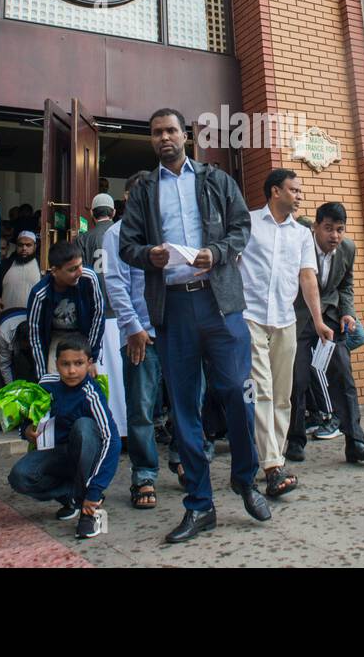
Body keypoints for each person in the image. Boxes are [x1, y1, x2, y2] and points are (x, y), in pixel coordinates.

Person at [119, 108, 270, 543]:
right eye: (155, 133)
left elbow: (242, 227)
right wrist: (149, 256)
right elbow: (128, 246)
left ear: (185, 135)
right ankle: (200, 505)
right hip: (174, 312)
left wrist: (217, 253)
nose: (163, 138)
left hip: (220, 306)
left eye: (170, 131)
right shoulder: (145, 189)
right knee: (184, 409)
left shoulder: (215, 179)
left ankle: (245, 479)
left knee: (238, 395)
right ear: (151, 140)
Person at [241, 169, 330, 498]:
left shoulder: (302, 234)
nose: (300, 195)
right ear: (275, 192)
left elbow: (308, 278)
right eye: (294, 189)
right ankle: (273, 466)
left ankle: (270, 459)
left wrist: (319, 321)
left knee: (282, 394)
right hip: (250, 317)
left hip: (285, 319)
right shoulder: (248, 223)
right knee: (262, 389)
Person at [284, 202, 364, 464]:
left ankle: (355, 441)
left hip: (331, 317)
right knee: (298, 379)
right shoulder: (299, 240)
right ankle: (295, 439)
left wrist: (347, 312)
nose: (334, 236)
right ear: (316, 227)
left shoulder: (347, 248)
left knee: (343, 375)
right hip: (298, 316)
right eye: (328, 229)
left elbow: (346, 284)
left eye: (340, 229)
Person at [7, 336, 120, 539]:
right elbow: (28, 415)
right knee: (19, 476)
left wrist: (96, 489)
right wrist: (26, 431)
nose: (72, 371)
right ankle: (71, 497)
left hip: (86, 452)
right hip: (57, 453)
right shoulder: (46, 384)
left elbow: (112, 440)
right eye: (65, 364)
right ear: (56, 364)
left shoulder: (91, 393)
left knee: (84, 427)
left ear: (89, 364)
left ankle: (90, 509)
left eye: (78, 363)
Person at [104, 170, 166, 510]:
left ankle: (185, 461)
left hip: (175, 333)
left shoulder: (168, 231)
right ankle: (144, 474)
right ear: (129, 198)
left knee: (187, 404)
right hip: (140, 334)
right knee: (140, 409)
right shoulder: (116, 235)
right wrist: (133, 328)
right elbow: (115, 283)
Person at [80, 191, 126, 435]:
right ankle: (124, 426)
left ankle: (102, 422)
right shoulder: (120, 234)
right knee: (121, 371)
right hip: (120, 310)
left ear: (92, 213)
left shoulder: (85, 238)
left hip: (97, 312)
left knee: (101, 369)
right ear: (114, 212)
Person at [27, 240, 105, 377]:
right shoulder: (40, 294)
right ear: (55, 271)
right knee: (54, 380)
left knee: (85, 380)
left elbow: (98, 316)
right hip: (56, 337)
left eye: (80, 265)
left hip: (83, 335)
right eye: (72, 269)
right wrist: (42, 377)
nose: (79, 272)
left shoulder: (89, 278)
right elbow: (35, 335)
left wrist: (92, 358)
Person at [0, 230, 42, 313]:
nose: (24, 248)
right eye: (20, 245)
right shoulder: (5, 265)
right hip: (6, 318)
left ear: (35, 246)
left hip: (33, 318)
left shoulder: (42, 265)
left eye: (28, 245)